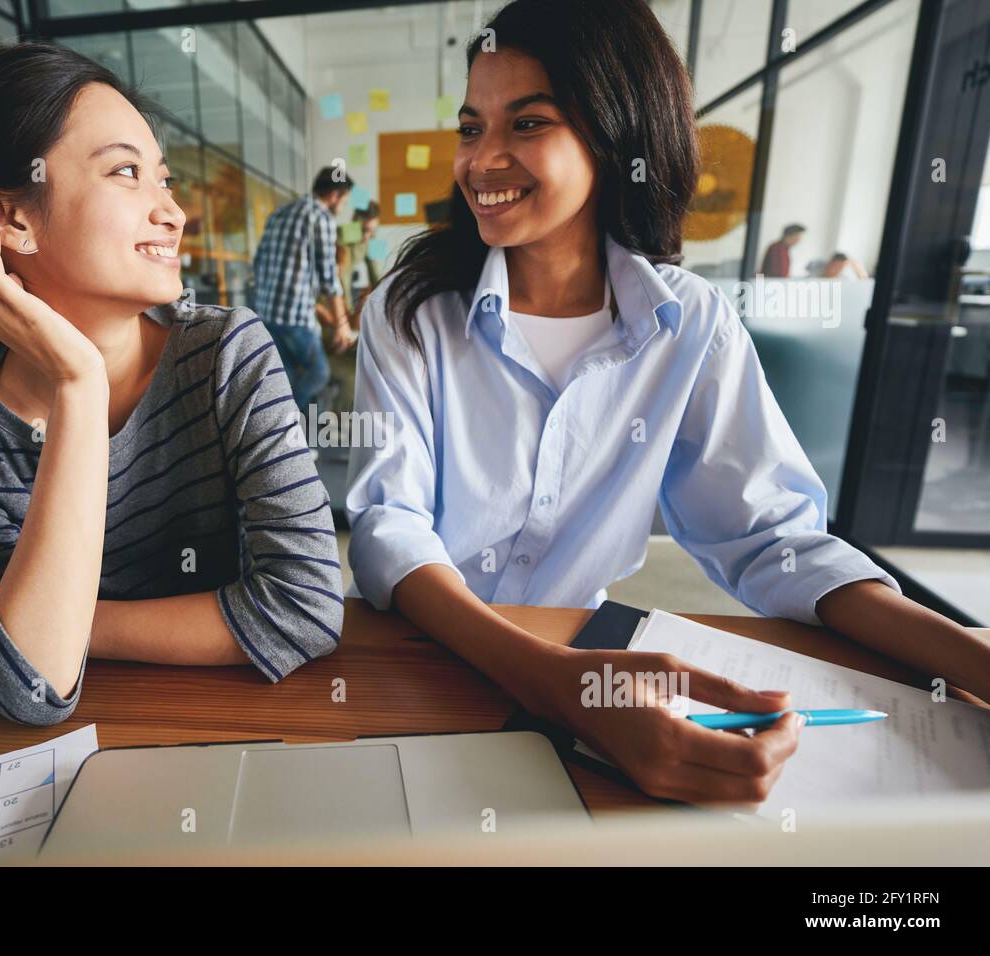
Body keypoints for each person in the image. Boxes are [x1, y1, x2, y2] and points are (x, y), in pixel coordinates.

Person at [346, 0, 990, 809]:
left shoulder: (690, 322)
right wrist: (556, 684)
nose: (483, 160)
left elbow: (771, 537)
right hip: (426, 657)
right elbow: (387, 529)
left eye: (528, 124)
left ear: (616, 138)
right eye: (472, 128)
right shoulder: (410, 311)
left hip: (589, 661)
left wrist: (967, 656)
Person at [0, 44, 342, 726]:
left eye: (164, 179)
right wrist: (80, 382)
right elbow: (25, 690)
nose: (172, 214)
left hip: (234, 727)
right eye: (127, 172)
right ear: (9, 218)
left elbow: (305, 609)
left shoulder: (224, 353)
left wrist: (67, 626)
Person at [252, 169, 357, 413]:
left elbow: (258, 264)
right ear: (334, 195)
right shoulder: (320, 218)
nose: (343, 207)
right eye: (344, 200)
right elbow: (330, 279)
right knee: (319, 373)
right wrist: (342, 324)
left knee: (283, 380)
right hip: (294, 318)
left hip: (267, 314)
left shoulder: (279, 214)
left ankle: (279, 433)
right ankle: (290, 424)